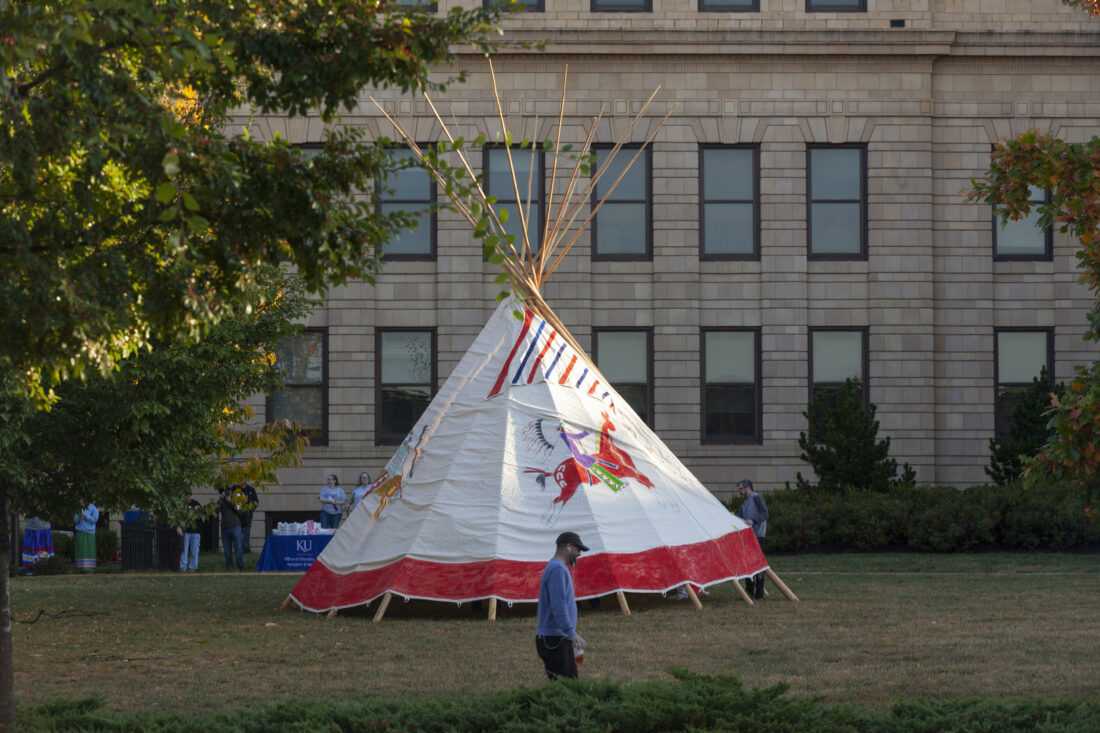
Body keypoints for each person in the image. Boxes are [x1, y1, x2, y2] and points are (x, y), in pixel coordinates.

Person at [535, 531, 588, 680]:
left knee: (569, 684)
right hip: (555, 639)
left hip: (559, 637)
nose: (579, 554)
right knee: (563, 687)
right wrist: (572, 634)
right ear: (568, 547)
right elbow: (558, 607)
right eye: (578, 549)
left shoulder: (557, 568)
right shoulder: (557, 569)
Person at [735, 478, 769, 599]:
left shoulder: (757, 498)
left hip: (758, 537)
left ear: (748, 488)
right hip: (748, 538)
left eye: (741, 489)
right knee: (747, 565)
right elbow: (740, 517)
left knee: (758, 566)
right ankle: (749, 592)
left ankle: (759, 594)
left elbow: (765, 514)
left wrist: (753, 521)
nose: (739, 492)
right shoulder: (744, 505)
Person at [218, 486, 245, 570]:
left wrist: (230, 502)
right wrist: (221, 498)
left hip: (235, 527)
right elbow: (215, 510)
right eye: (225, 492)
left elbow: (239, 511)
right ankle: (229, 567)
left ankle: (240, 566)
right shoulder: (221, 501)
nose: (227, 493)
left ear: (231, 491)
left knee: (238, 548)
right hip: (225, 528)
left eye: (228, 491)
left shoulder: (236, 499)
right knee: (227, 550)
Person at [179, 493, 202, 572]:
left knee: (195, 550)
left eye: (188, 496)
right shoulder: (182, 505)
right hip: (185, 530)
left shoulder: (196, 503)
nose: (187, 498)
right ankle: (183, 567)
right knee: (184, 550)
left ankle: (193, 567)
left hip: (195, 531)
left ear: (190, 496)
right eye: (186, 496)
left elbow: (201, 515)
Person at [73, 503, 99, 572]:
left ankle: (90, 569)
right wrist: (79, 515)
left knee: (89, 552)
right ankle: (79, 569)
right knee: (80, 551)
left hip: (90, 532)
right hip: (80, 532)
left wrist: (86, 515)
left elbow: (94, 520)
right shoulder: (79, 507)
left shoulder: (94, 508)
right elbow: (75, 520)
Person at [239, 483, 258, 554]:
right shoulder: (236, 489)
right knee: (238, 538)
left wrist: (250, 507)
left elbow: (256, 502)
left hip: (248, 518)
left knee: (246, 537)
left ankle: (246, 552)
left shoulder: (251, 490)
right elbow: (233, 503)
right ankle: (239, 552)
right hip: (237, 518)